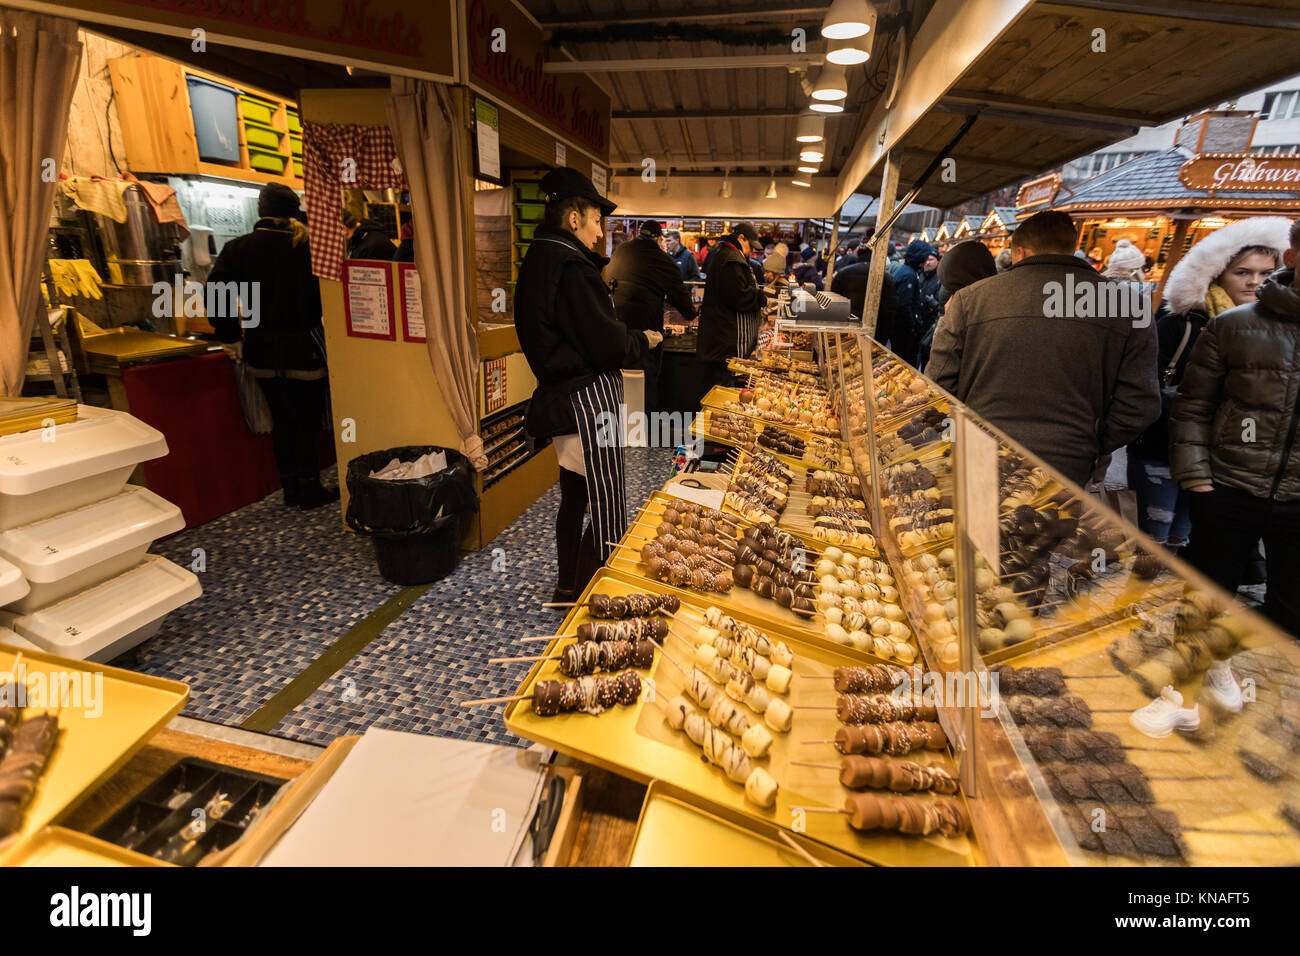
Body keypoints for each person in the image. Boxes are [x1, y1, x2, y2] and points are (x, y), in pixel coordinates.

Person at [926, 210, 1160, 487]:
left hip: (978, 448)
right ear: (1070, 249)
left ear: (1019, 252)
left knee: (976, 527)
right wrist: (1091, 439)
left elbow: (937, 385)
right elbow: (1140, 404)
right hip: (1069, 464)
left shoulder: (970, 299)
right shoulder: (1128, 306)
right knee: (1050, 528)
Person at [514, 168, 658, 602]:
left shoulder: (538, 257)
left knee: (575, 495)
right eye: (597, 221)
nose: (600, 233)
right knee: (607, 500)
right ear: (573, 218)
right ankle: (593, 593)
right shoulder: (571, 267)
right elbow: (607, 344)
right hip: (585, 403)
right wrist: (641, 341)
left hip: (563, 399)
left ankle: (566, 587)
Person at [1169, 219, 1300, 634]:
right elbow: (1193, 405)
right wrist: (1196, 476)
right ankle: (1182, 689)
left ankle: (1266, 690)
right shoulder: (1233, 325)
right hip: (1229, 488)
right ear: (1293, 257)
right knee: (1202, 609)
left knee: (1289, 619)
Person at [1127, 217, 1289, 553]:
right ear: (1217, 274)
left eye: (1264, 273)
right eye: (1243, 272)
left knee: (1183, 537)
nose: (1254, 282)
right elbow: (1145, 383)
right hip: (1163, 448)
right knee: (1153, 542)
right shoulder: (1181, 322)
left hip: (1224, 459)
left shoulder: (1276, 328)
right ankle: (1135, 601)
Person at [207, 183, 335, 509]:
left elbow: (216, 294)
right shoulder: (308, 247)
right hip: (305, 348)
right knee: (305, 420)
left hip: (260, 348)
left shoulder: (238, 249)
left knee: (281, 420)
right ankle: (310, 487)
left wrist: (230, 335)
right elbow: (331, 299)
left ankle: (290, 487)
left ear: (261, 212)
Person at [604, 219, 697, 411]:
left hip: (614, 334)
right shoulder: (663, 260)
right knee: (644, 396)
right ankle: (642, 436)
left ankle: (620, 436)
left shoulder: (620, 251)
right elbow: (686, 308)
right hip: (645, 339)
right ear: (658, 239)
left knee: (619, 395)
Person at [696, 222, 764, 388]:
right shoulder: (731, 260)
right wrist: (763, 297)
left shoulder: (727, 255)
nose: (752, 251)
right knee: (719, 388)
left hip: (722, 342)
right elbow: (740, 297)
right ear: (741, 238)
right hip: (724, 345)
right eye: (751, 245)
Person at [830, 237, 901, 344]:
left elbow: (833, 301)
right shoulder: (885, 277)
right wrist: (884, 336)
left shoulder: (843, 273)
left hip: (845, 327)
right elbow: (890, 309)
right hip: (874, 331)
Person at [892, 239, 938, 366]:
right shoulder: (909, 275)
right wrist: (914, 326)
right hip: (904, 332)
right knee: (904, 363)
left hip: (902, 330)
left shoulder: (907, 272)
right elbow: (905, 305)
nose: (926, 262)